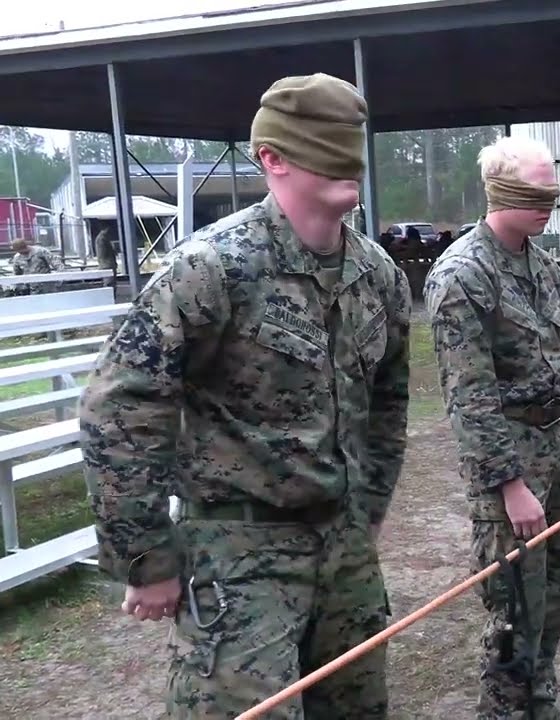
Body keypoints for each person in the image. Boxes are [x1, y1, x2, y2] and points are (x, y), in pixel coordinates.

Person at [79, 73, 412, 718]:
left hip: (343, 552)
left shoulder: (379, 276)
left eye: (352, 142)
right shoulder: (215, 267)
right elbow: (119, 406)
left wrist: (366, 510)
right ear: (272, 158)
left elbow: (389, 403)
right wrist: (146, 555)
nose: (348, 160)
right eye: (325, 145)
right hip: (239, 555)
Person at [424, 135, 560, 719]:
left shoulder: (545, 268)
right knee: (512, 604)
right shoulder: (463, 275)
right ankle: (502, 708)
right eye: (532, 192)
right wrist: (509, 486)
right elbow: (469, 398)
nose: (547, 203)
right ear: (498, 190)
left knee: (555, 590)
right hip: (510, 459)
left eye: (552, 192)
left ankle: (540, 695)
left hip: (556, 445)